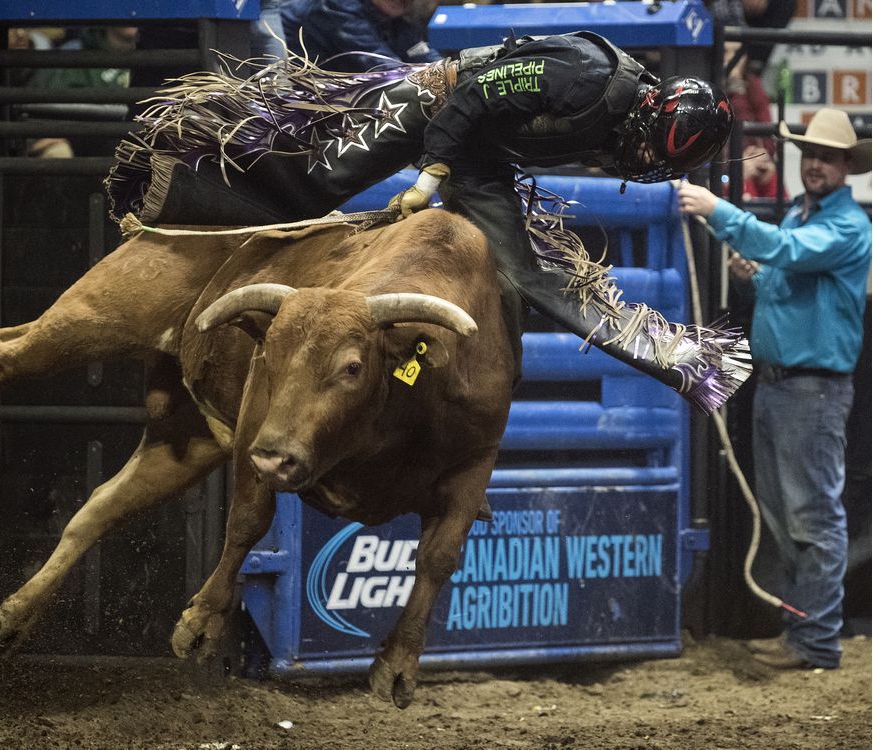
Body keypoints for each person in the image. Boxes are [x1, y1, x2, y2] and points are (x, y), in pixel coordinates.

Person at [107, 31, 748, 414]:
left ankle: (677, 354)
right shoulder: (586, 74)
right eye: (650, 150)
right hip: (434, 103)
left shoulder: (614, 116)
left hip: (481, 158)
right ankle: (169, 187)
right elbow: (473, 96)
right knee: (317, 181)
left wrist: (450, 173)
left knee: (523, 279)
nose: (640, 161)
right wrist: (428, 177)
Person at [677, 108, 872, 669]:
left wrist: (718, 210)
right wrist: (755, 277)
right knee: (791, 517)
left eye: (827, 158)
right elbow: (785, 273)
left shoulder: (846, 228)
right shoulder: (802, 216)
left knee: (810, 517)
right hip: (784, 388)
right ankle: (802, 633)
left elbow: (788, 253)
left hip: (812, 392)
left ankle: (814, 641)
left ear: (845, 169)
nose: (815, 164)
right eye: (810, 154)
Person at [281, 0, 441, 72]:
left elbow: (419, 52)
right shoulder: (337, 8)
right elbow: (383, 67)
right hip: (296, 100)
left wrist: (451, 72)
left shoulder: (396, 18)